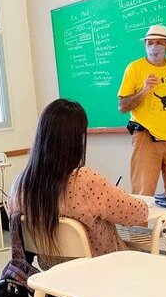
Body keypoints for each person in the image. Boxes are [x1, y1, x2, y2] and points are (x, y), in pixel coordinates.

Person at [8, 99, 148, 269]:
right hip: (104, 272)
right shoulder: (85, 181)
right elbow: (138, 214)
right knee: (147, 253)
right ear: (76, 139)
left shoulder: (20, 185)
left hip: (55, 279)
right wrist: (120, 194)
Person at [117, 24, 166, 252]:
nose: (154, 47)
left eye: (159, 42)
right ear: (145, 45)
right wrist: (144, 91)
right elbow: (122, 106)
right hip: (146, 137)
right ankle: (139, 241)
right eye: (149, 42)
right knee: (143, 193)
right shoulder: (134, 68)